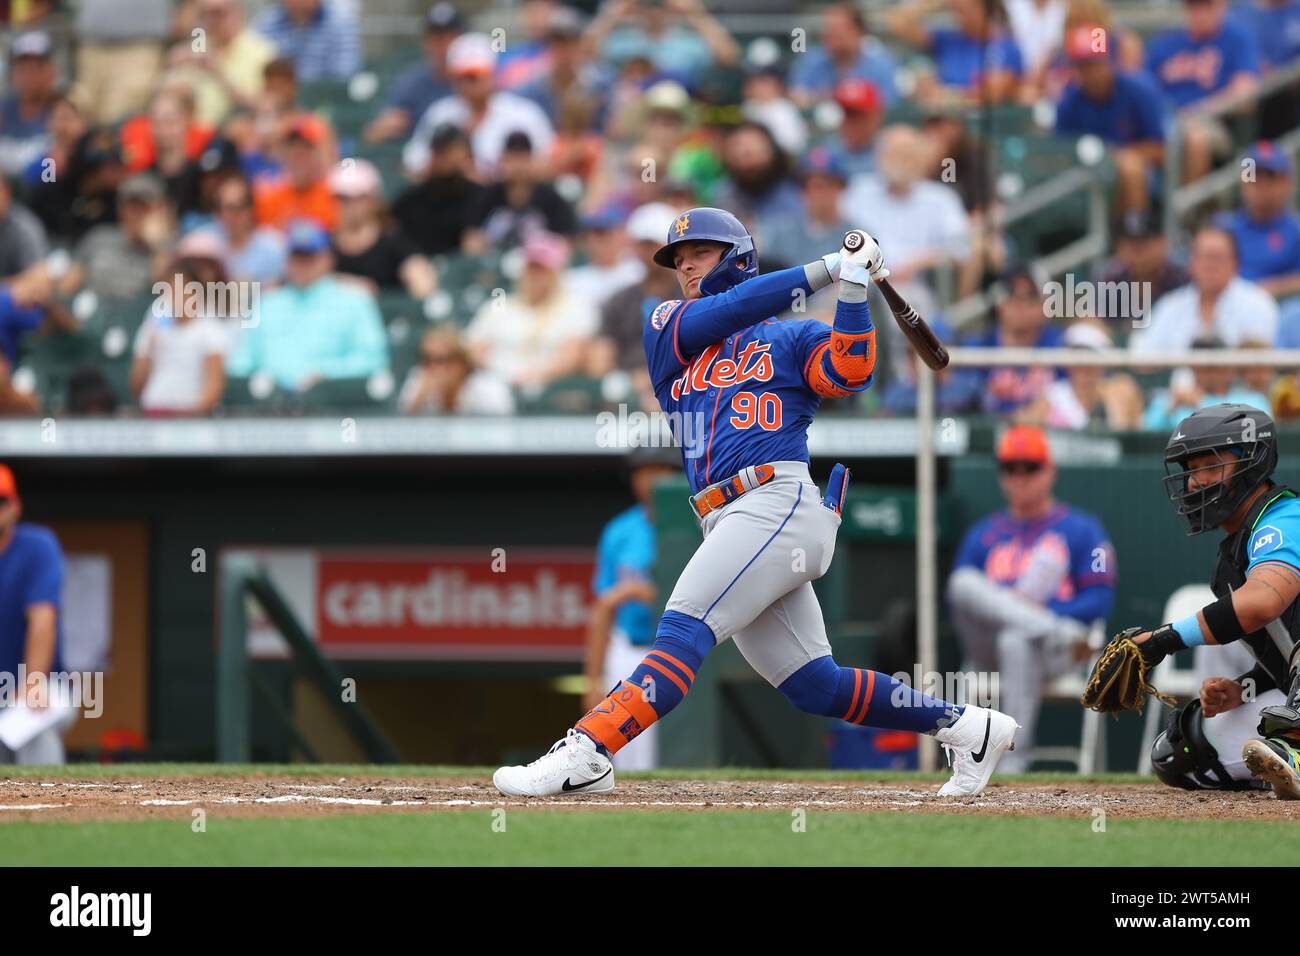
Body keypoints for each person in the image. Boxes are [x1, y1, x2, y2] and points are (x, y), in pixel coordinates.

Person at [493, 208, 1020, 798]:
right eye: (677, 256)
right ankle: (969, 728)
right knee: (815, 684)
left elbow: (851, 372)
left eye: (701, 250)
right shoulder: (668, 328)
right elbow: (731, 310)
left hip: (775, 502)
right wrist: (829, 267)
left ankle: (590, 750)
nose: (685, 263)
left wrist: (851, 288)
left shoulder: (792, 336)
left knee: (681, 630)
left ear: (738, 256)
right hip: (728, 518)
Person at [1124, 404, 1300, 797]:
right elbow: (1285, 662)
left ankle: (1293, 750)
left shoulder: (1284, 516)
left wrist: (1163, 639)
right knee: (1183, 754)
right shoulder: (1227, 565)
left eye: (1208, 464)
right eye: (1190, 468)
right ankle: (1287, 757)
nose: (1192, 482)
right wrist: (1244, 689)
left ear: (1250, 462)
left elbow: (1263, 601)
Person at [948, 426, 1117, 772]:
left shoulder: (1082, 529)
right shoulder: (983, 534)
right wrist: (1024, 611)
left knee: (1017, 638)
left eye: (1030, 467)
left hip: (1056, 651)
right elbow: (960, 603)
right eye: (1011, 468)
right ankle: (1040, 625)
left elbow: (1099, 600)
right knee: (964, 582)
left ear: (1049, 471)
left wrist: (1046, 609)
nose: (1020, 477)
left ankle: (1012, 760)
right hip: (991, 646)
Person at [583, 446, 679, 771]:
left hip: (676, 652)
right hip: (629, 648)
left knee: (672, 755)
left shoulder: (694, 525)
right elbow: (603, 608)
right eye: (644, 471)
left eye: (661, 470)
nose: (652, 479)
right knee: (622, 756)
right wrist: (592, 681)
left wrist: (651, 593)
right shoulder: (619, 531)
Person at [226, 220, 387, 390]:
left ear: (328, 259)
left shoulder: (355, 301)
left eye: (310, 257)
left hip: (337, 402)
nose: (302, 265)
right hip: (271, 406)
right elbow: (241, 360)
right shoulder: (266, 303)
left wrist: (328, 373)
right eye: (297, 257)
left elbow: (372, 359)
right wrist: (261, 376)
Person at [403, 32, 555, 178]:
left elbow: (549, 162)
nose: (469, 83)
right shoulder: (440, 114)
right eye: (462, 77)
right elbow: (413, 164)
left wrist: (508, 171)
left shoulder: (523, 113)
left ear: (493, 74)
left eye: (475, 76)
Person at [1144, 0, 1261, 183]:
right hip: (1165, 120)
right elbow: (1145, 90)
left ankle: (1190, 210)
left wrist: (1198, 112)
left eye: (1207, 5)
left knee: (1195, 138)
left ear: (1221, 6)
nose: (1199, 12)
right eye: (1193, 6)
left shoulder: (1237, 39)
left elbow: (1246, 98)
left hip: (1215, 123)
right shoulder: (1164, 43)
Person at [1053, 25, 1165, 213]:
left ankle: (1133, 235)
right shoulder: (1069, 101)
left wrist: (1118, 156)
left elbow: (1162, 150)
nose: (1088, 72)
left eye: (1094, 64)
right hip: (1087, 173)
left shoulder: (1138, 91)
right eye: (1081, 65)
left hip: (1143, 173)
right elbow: (1059, 152)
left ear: (1111, 61)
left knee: (1129, 168)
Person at [464, 231, 596, 389]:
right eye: (530, 268)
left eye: (542, 270)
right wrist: (500, 374)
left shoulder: (575, 307)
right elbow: (475, 348)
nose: (534, 276)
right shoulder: (499, 304)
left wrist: (532, 377)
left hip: (549, 387)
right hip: (497, 382)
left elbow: (571, 357)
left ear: (556, 273)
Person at [0, 464, 68, 764]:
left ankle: (49, 805)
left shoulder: (37, 545)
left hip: (44, 684)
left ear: (14, 507)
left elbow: (43, 618)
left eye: (0, 502)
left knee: (32, 725)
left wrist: (33, 681)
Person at [1129, 226, 1278, 354]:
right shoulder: (1170, 305)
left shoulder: (1258, 303)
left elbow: (1260, 369)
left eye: (1217, 257)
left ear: (1235, 263)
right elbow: (1143, 356)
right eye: (1204, 257)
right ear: (1191, 262)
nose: (1210, 265)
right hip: (1175, 388)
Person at [1213, 142, 1300, 347]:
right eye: (1253, 178)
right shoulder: (1223, 228)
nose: (1260, 186)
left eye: (1269, 178)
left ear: (1286, 183)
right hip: (1224, 316)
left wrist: (1268, 289)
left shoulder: (1295, 231)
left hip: (1279, 318)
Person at [129, 259, 229, 416]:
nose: (175, 296)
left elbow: (214, 385)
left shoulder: (210, 329)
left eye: (182, 289)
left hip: (190, 415)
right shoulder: (154, 322)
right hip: (154, 410)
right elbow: (136, 384)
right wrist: (149, 349)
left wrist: (189, 419)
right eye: (170, 289)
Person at [327, 159, 435, 299]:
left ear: (373, 201)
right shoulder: (322, 242)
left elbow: (423, 284)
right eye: (340, 198)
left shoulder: (392, 241)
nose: (347, 205)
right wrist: (348, 284)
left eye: (357, 198)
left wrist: (414, 274)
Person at [888, 0, 1025, 106]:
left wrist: (944, 96)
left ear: (984, 9)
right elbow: (897, 23)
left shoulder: (1005, 46)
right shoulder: (948, 41)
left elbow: (992, 95)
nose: (960, 16)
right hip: (943, 125)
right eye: (957, 10)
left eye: (967, 9)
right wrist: (936, 3)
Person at [362, 2, 460, 145]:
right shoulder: (410, 83)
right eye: (437, 37)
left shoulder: (476, 80)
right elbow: (373, 134)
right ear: (426, 42)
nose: (443, 45)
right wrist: (387, 126)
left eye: (450, 37)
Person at [164, 0, 275, 127]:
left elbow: (261, 106)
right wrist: (173, 68)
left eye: (218, 13)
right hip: (194, 133)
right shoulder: (197, 47)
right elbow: (170, 98)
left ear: (237, 13)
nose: (212, 21)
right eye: (205, 15)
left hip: (235, 135)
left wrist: (219, 73)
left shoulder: (262, 52)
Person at [392, 124, 486, 258]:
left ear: (466, 154)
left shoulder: (482, 196)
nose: (443, 157)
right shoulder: (411, 199)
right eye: (438, 150)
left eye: (449, 150)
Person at [1142, 336, 1272, 431]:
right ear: (1193, 368)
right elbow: (1145, 433)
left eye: (1217, 365)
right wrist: (1172, 406)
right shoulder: (1170, 402)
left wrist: (1201, 406)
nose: (1211, 372)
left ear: (1229, 367)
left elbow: (1264, 428)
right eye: (1204, 366)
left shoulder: (1253, 400)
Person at [787, 4, 899, 110]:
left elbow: (888, 103)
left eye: (839, 28)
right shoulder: (812, 60)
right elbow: (797, 96)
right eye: (828, 28)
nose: (831, 34)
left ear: (859, 32)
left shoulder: (880, 64)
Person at [397, 326, 514, 416]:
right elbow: (400, 429)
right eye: (427, 359)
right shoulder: (418, 378)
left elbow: (504, 429)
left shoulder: (486, 386)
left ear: (461, 362)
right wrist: (419, 400)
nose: (433, 367)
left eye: (441, 360)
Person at [253, 114, 337, 230]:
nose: (298, 155)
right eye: (292, 148)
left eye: (306, 148)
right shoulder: (267, 197)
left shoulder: (335, 196)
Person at [253, 0, 360, 83]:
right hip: (275, 104)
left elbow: (344, 76)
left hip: (326, 100)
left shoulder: (340, 23)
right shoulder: (267, 23)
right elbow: (254, 72)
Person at [0, 31, 57, 179]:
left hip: (46, 196)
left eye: (36, 68)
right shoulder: (4, 109)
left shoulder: (63, 111)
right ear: (13, 73)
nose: (29, 77)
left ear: (51, 71)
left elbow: (50, 177)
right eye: (23, 69)